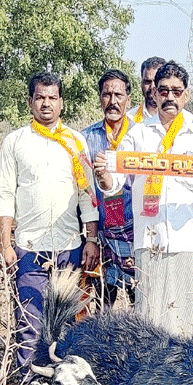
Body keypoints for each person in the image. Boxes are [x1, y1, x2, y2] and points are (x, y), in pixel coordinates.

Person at [94, 60, 193, 335]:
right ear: (153, 94)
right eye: (163, 90)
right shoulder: (138, 134)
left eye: (176, 91)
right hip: (150, 241)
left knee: (191, 325)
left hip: (189, 241)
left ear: (186, 95)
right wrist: (102, 175)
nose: (170, 97)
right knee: (152, 324)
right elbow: (114, 183)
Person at [0, 71, 99, 365]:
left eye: (52, 98)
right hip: (29, 246)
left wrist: (91, 239)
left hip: (68, 246)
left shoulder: (75, 142)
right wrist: (5, 245)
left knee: (67, 321)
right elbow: (4, 196)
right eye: (40, 97)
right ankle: (29, 380)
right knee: (30, 318)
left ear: (61, 103)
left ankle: (63, 382)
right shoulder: (15, 142)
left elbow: (86, 195)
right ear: (30, 102)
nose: (46, 104)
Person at [81, 69, 137, 307]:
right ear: (100, 98)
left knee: (142, 307)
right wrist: (91, 238)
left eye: (118, 95)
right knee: (103, 307)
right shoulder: (87, 138)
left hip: (135, 235)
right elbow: (84, 190)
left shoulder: (141, 136)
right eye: (107, 95)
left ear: (129, 99)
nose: (113, 101)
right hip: (103, 235)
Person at [132, 56, 165, 123]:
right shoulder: (129, 119)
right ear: (141, 84)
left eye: (156, 82)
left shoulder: (185, 121)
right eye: (147, 82)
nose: (152, 87)